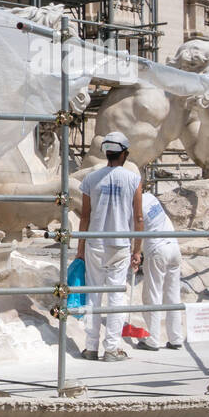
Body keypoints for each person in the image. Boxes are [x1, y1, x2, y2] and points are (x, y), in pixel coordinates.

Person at [77, 131, 143, 362]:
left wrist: (79, 250)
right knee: (116, 296)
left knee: (93, 294)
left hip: (95, 243)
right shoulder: (133, 179)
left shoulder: (91, 179)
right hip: (120, 244)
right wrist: (137, 250)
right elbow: (139, 218)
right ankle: (112, 349)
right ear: (124, 153)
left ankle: (91, 347)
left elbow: (84, 217)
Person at [137, 191, 184, 351]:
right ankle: (176, 338)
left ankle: (153, 340)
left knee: (153, 295)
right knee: (173, 295)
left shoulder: (136, 206)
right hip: (174, 247)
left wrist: (135, 253)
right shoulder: (150, 198)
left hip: (157, 251)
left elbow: (135, 232)